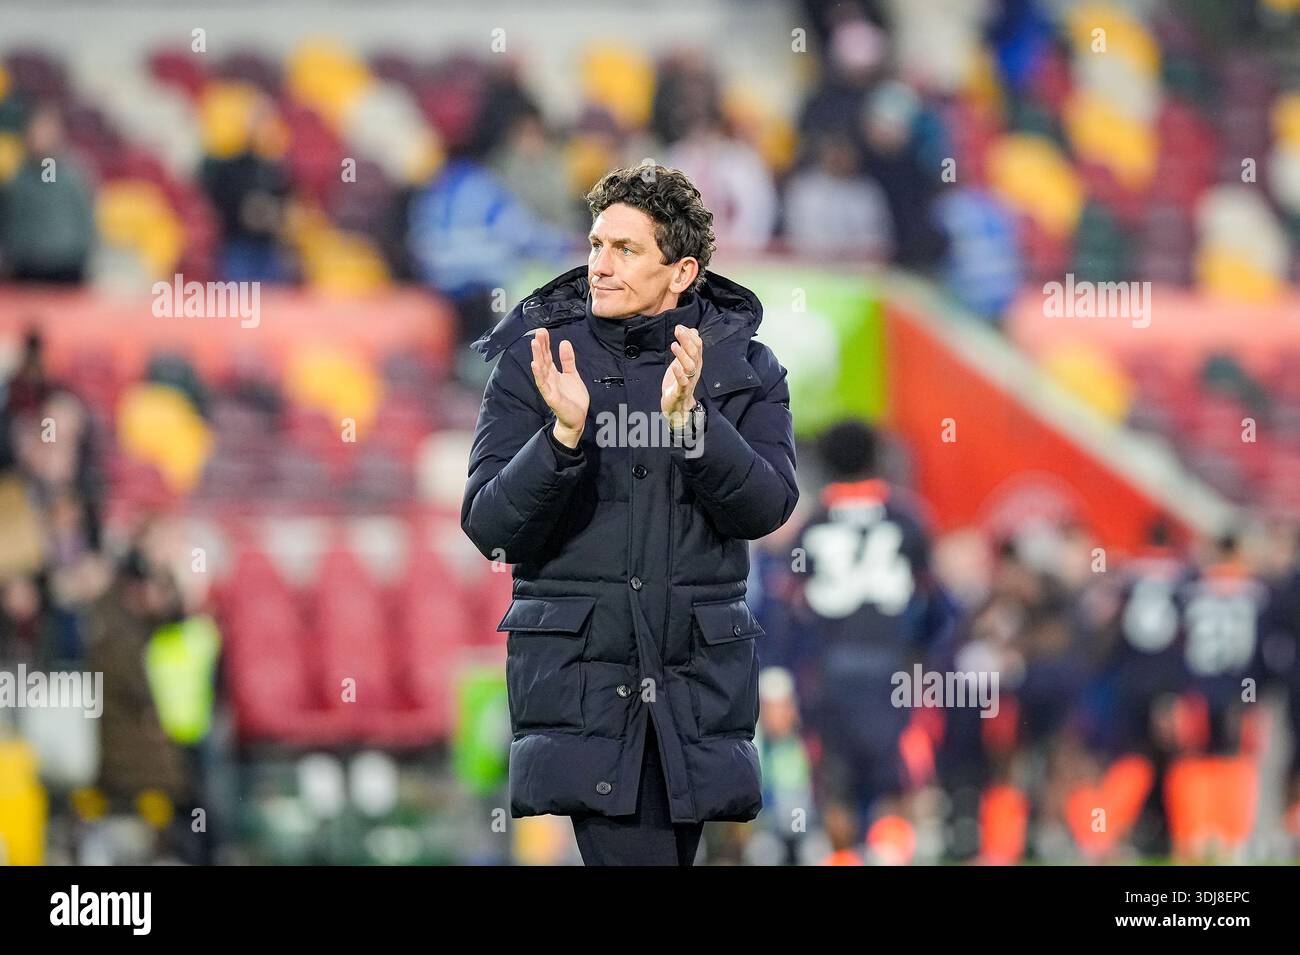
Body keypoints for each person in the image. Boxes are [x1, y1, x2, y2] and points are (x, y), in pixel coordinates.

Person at [460, 163, 799, 865]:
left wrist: (694, 427)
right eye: (594, 245)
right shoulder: (537, 358)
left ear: (681, 271)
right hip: (587, 688)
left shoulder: (745, 367)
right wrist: (560, 440)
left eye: (625, 249)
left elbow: (767, 507)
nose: (599, 266)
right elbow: (490, 525)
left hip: (697, 690)